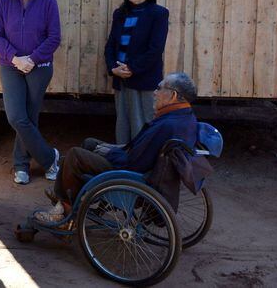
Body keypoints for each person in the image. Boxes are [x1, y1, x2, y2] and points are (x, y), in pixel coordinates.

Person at [35, 72, 199, 223]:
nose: (155, 93)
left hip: (132, 174)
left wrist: (111, 152)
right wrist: (113, 149)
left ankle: (65, 212)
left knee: (74, 155)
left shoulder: (167, 125)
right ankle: (63, 196)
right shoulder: (185, 117)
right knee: (90, 143)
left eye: (159, 88)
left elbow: (135, 162)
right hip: (144, 166)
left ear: (174, 95)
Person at [0, 0, 61, 185]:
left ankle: (21, 166)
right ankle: (50, 158)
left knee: (30, 116)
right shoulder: (4, 2)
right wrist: (14, 58)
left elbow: (54, 37)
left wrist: (32, 59)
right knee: (16, 117)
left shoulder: (48, 3)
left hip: (38, 68)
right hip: (10, 66)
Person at [104, 0, 169, 144]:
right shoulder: (120, 13)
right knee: (124, 123)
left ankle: (144, 164)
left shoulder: (158, 14)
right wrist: (113, 68)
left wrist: (132, 68)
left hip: (145, 79)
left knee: (145, 122)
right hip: (121, 80)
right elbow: (110, 46)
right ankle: (124, 162)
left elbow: (155, 50)